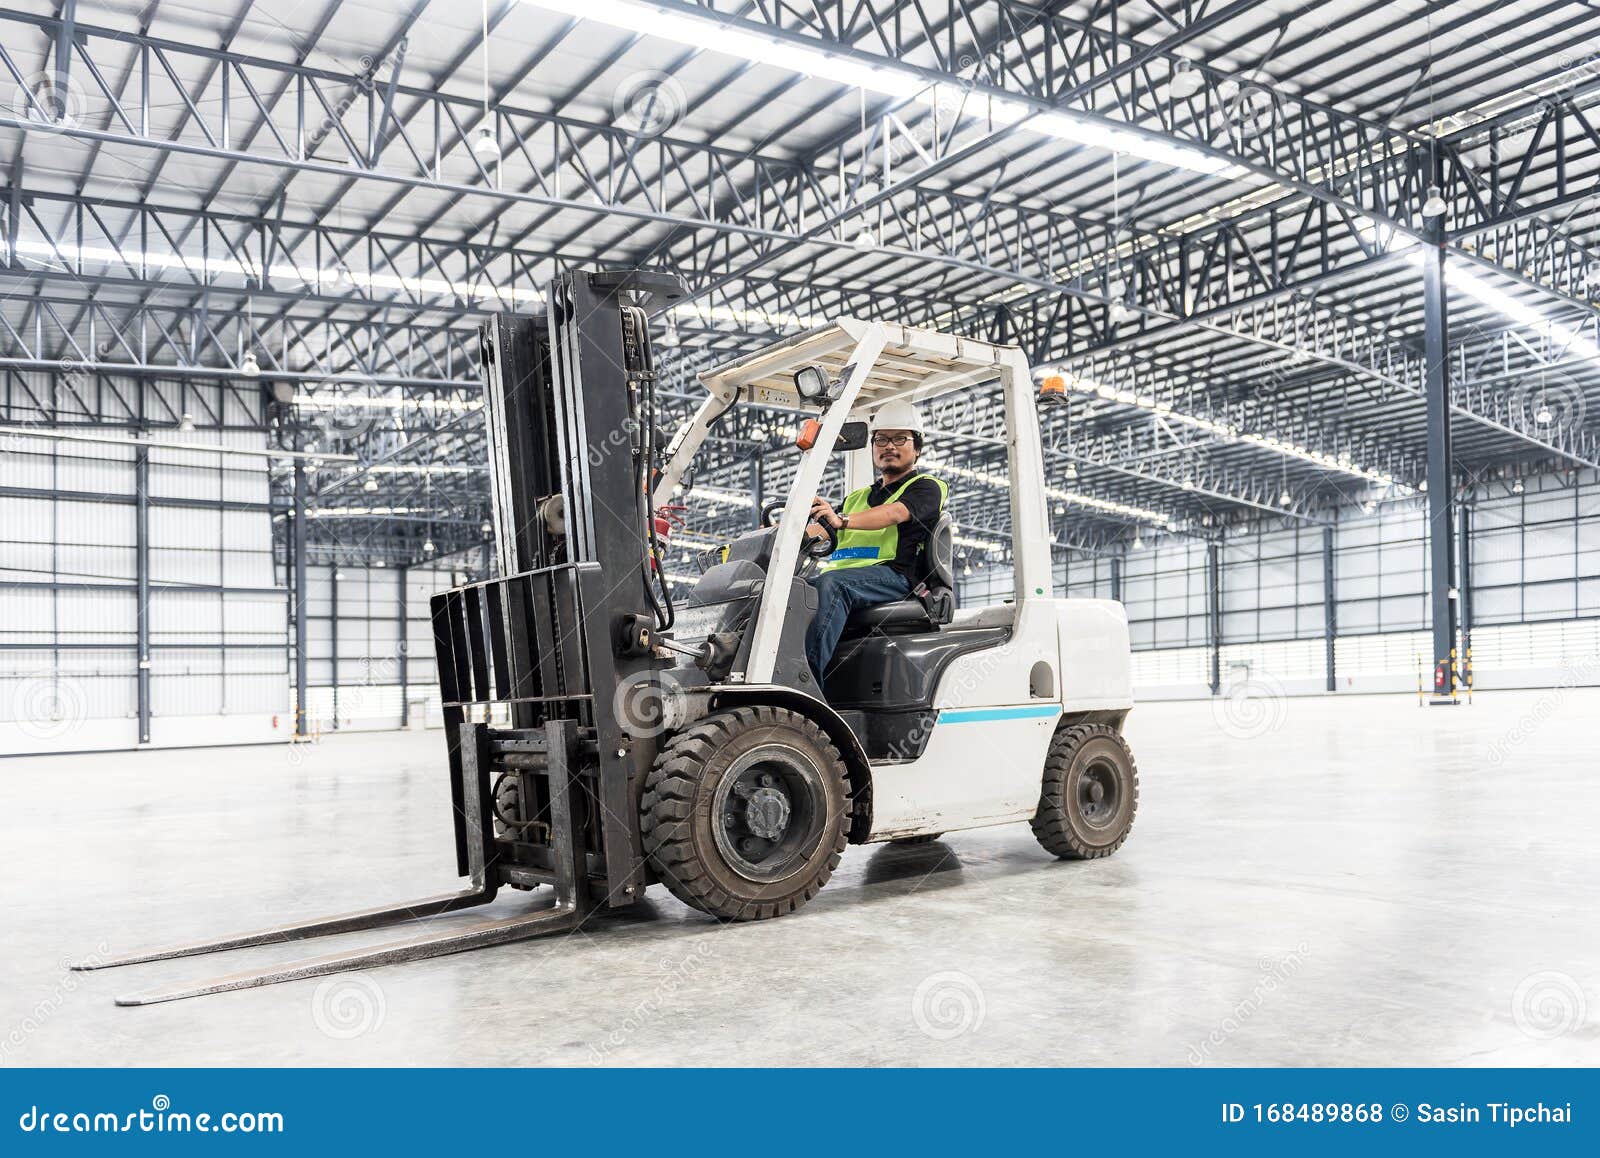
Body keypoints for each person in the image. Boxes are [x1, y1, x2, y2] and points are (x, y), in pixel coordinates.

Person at [804, 400, 947, 687]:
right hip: (854, 579)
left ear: (916, 448)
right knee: (794, 592)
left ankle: (805, 684)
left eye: (899, 439)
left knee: (832, 584)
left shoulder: (926, 487)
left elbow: (894, 513)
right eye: (881, 440)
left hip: (896, 578)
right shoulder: (857, 499)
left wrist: (841, 520)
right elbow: (819, 530)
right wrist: (779, 532)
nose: (888, 446)